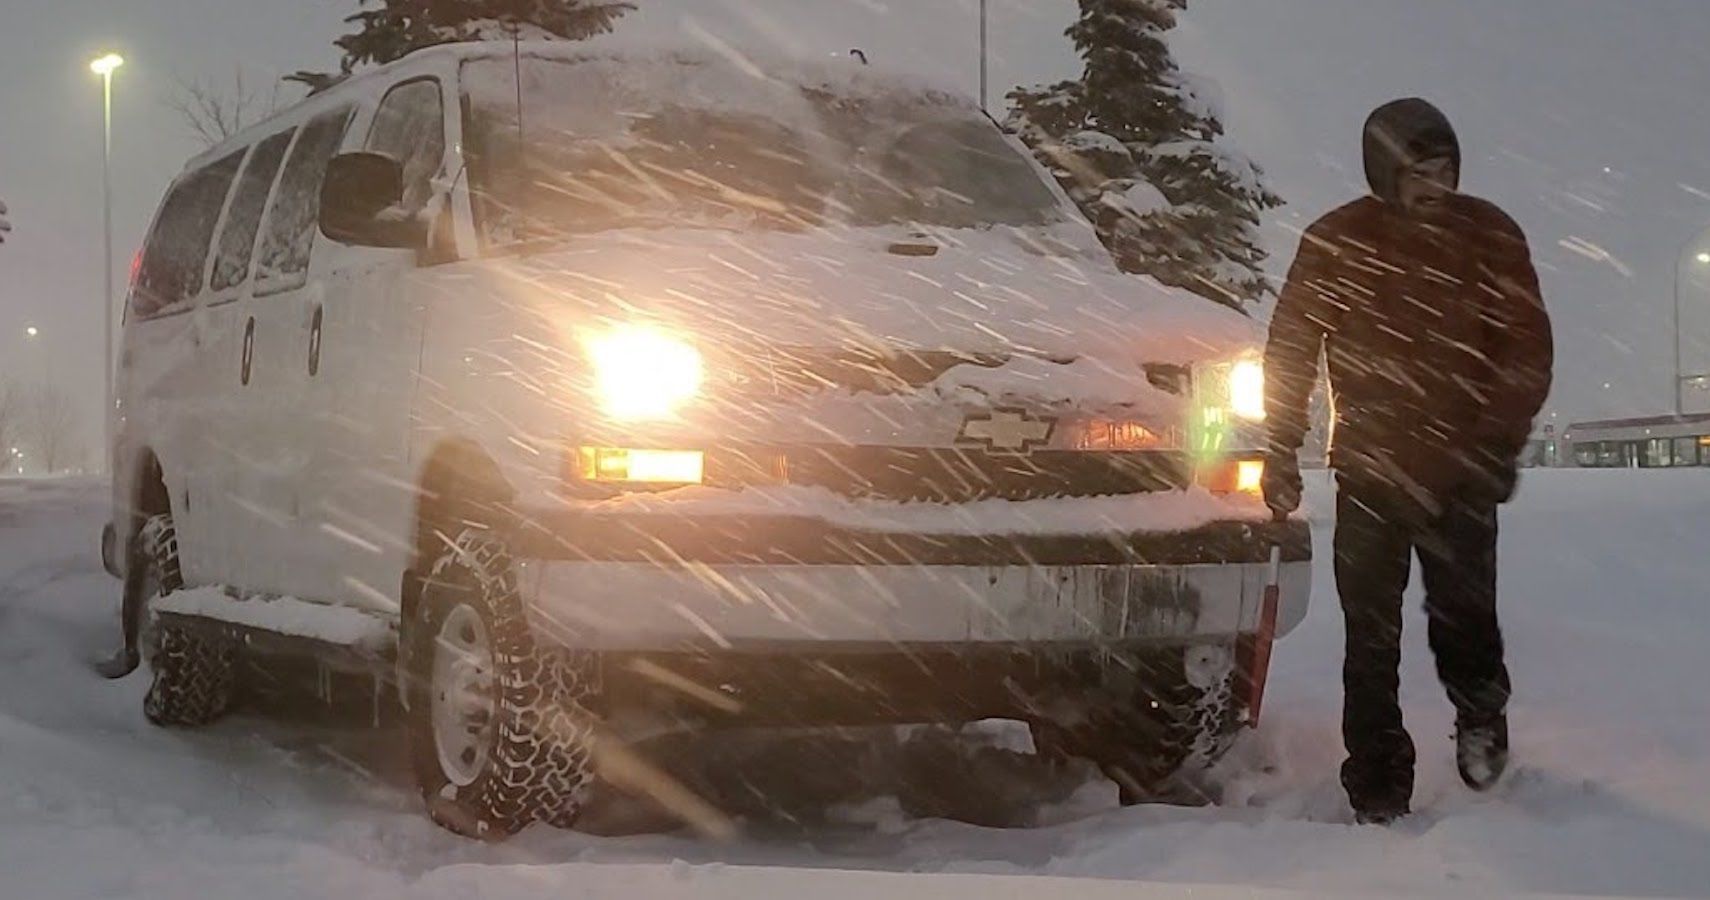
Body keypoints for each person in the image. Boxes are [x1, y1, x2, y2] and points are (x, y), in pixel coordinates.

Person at [1261, 98, 1553, 825]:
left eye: (1445, 168)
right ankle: (1377, 771)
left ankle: (1480, 717)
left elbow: (1524, 348)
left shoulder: (1489, 235)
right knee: (1370, 635)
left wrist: (1494, 445)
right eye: (1419, 171)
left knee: (1464, 616)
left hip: (1460, 473)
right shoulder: (1338, 240)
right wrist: (1278, 444)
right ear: (1384, 171)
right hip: (1368, 471)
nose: (1436, 185)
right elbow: (1292, 349)